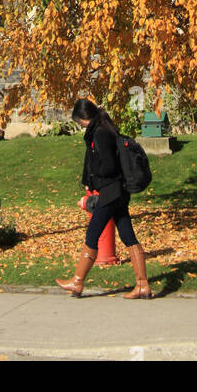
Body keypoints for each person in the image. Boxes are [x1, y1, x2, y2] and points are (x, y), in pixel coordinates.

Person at [56, 97, 152, 299]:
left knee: (92, 235)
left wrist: (94, 176)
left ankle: (77, 281)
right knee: (128, 236)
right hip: (119, 192)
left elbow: (108, 166)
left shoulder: (100, 134)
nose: (80, 126)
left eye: (79, 121)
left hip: (110, 192)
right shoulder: (105, 128)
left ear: (84, 117)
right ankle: (142, 285)